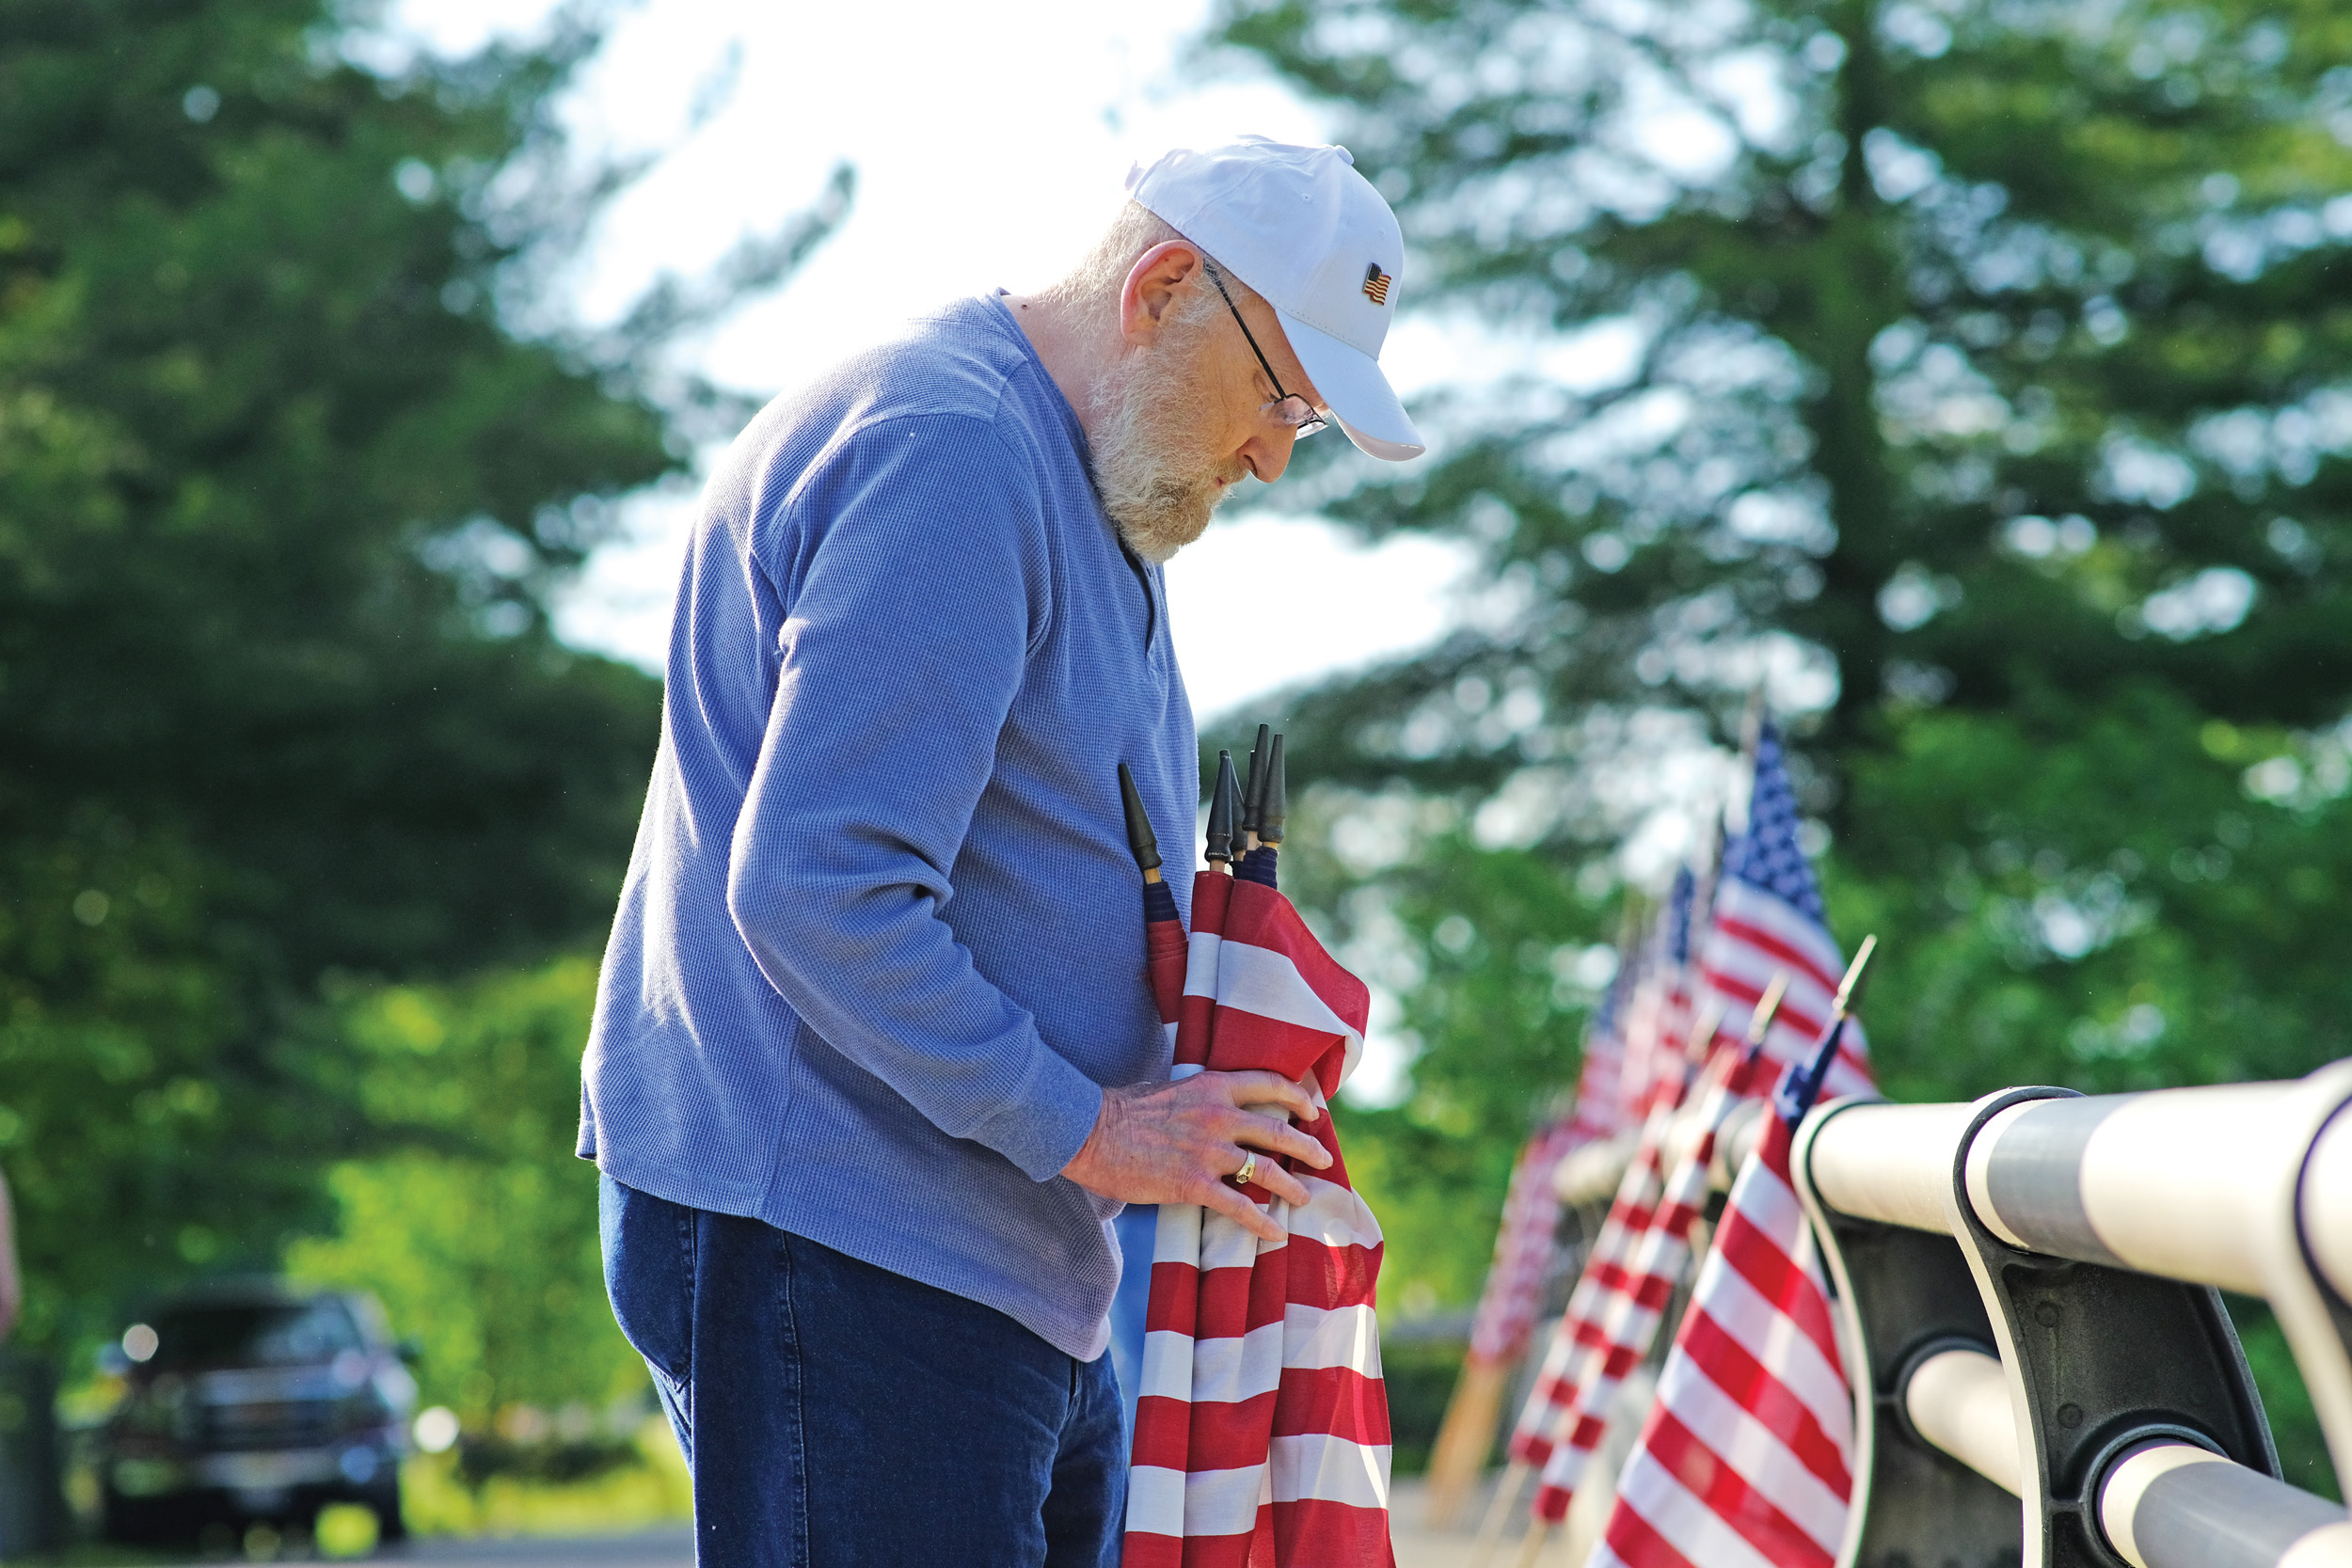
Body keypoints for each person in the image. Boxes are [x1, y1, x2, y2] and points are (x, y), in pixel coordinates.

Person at [580, 136, 1423, 1567]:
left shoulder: (1084, 480)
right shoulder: (957, 450)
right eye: (1281, 394)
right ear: (1165, 289)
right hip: (852, 1232)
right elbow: (822, 891)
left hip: (979, 1242)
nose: (1277, 455)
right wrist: (1101, 1132)